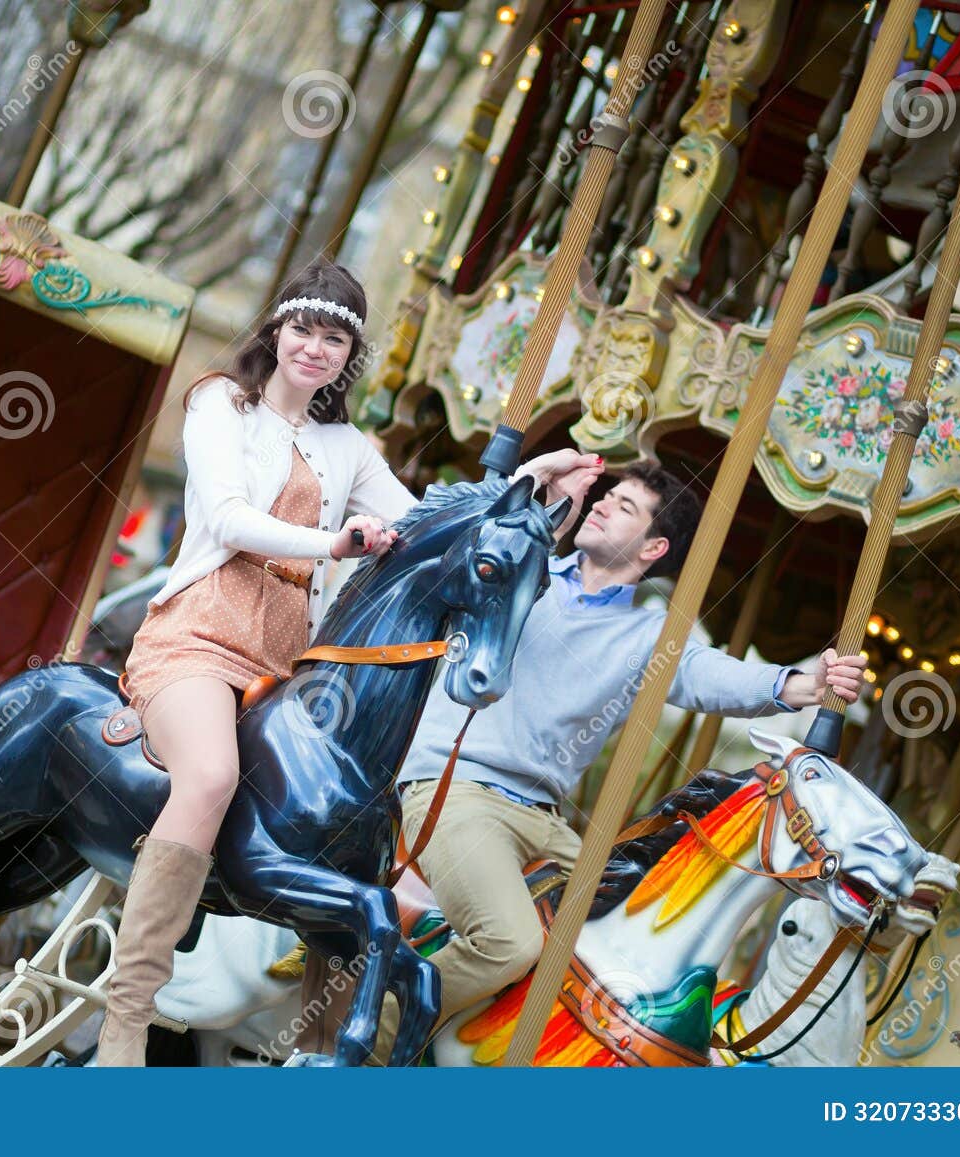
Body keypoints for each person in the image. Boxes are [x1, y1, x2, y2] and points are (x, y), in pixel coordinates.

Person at [100, 258, 600, 1066]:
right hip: (197, 635)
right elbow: (227, 517)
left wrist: (528, 483)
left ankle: (320, 1055)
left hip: (283, 657)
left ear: (346, 358)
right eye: (303, 328)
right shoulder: (219, 404)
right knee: (209, 778)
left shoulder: (346, 446)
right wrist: (331, 542)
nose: (315, 348)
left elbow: (434, 524)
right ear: (276, 331)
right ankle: (128, 1014)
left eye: (335, 338)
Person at [352, 460, 867, 1061]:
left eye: (625, 507)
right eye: (606, 495)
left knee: (639, 929)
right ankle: (366, 1038)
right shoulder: (524, 569)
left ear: (654, 547)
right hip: (457, 785)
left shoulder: (647, 635)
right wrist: (538, 484)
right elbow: (459, 527)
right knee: (510, 944)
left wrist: (804, 684)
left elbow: (712, 677)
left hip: (544, 817)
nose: (601, 505)